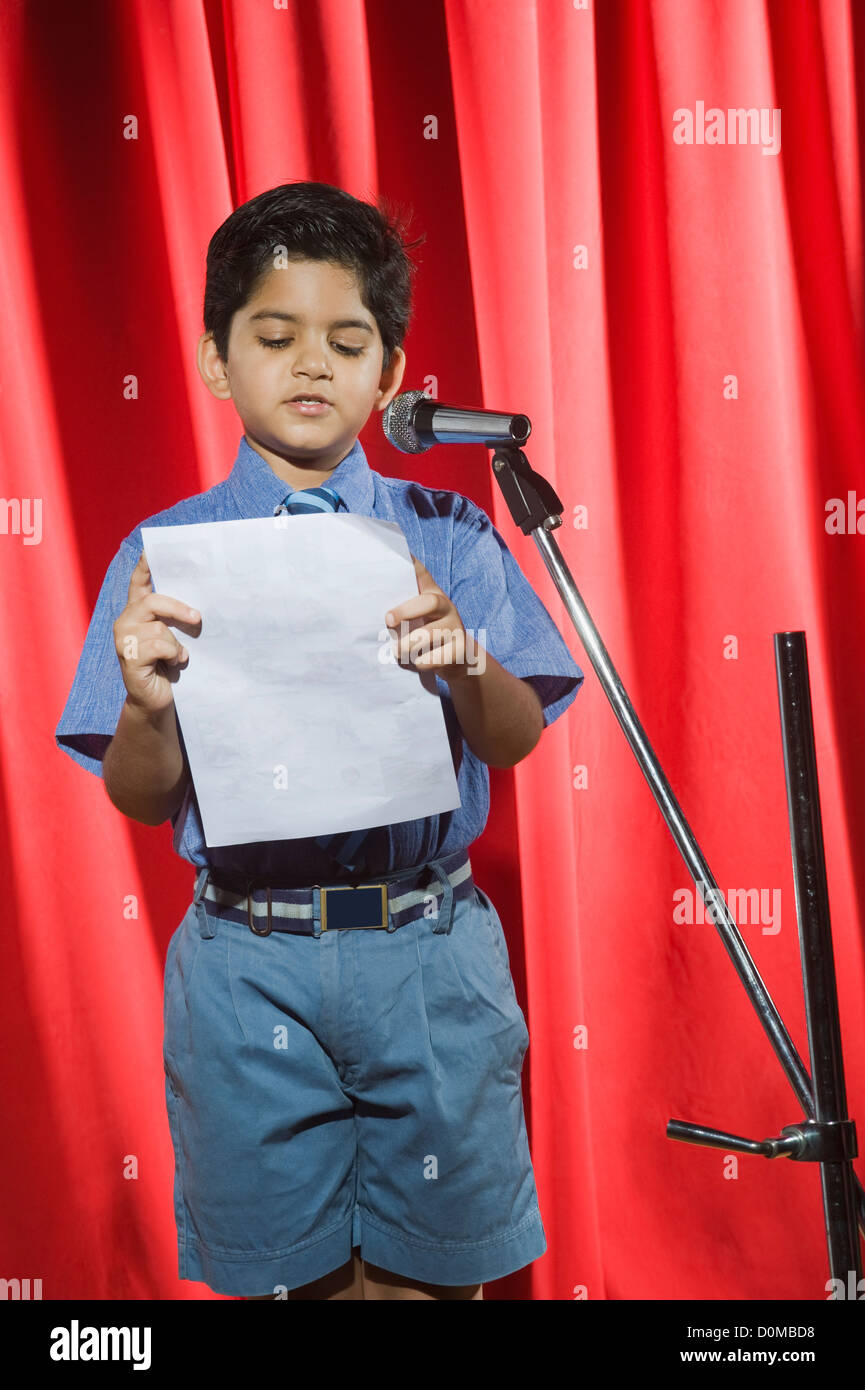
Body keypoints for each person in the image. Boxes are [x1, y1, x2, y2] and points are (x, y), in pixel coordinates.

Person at [55, 181, 585, 1300]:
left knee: (432, 1284)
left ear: (389, 376)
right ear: (216, 359)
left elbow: (516, 737)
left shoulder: (449, 530)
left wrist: (464, 662)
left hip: (428, 954)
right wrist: (147, 707)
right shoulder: (164, 553)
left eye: (347, 343)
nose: (312, 364)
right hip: (249, 963)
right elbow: (140, 796)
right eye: (275, 336)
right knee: (284, 1284)